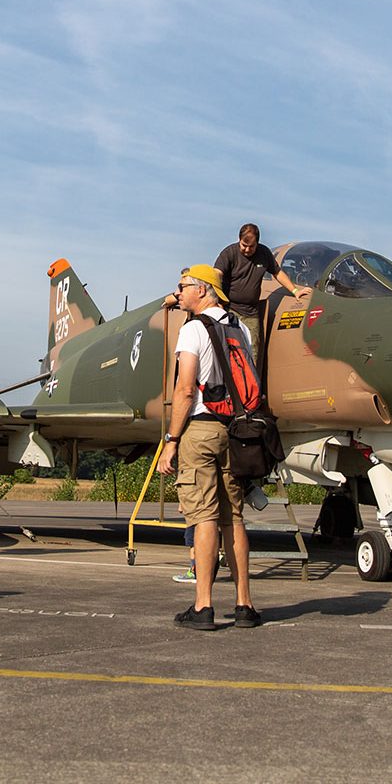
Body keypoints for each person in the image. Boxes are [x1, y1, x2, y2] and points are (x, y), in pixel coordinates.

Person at [154, 264, 260, 631]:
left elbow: (184, 390)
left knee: (203, 517)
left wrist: (171, 440)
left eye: (183, 286)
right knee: (234, 517)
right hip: (235, 431)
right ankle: (245, 604)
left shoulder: (192, 330)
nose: (178, 292)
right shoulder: (241, 328)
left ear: (202, 290)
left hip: (200, 430)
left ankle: (203, 606)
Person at [211, 224, 310, 326]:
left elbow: (278, 272)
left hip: (251, 312)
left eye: (251, 246)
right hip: (229, 308)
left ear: (257, 243)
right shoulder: (229, 253)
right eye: (244, 245)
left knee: (254, 342)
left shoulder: (264, 254)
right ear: (239, 240)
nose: (247, 250)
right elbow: (216, 274)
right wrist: (216, 302)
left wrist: (295, 291)